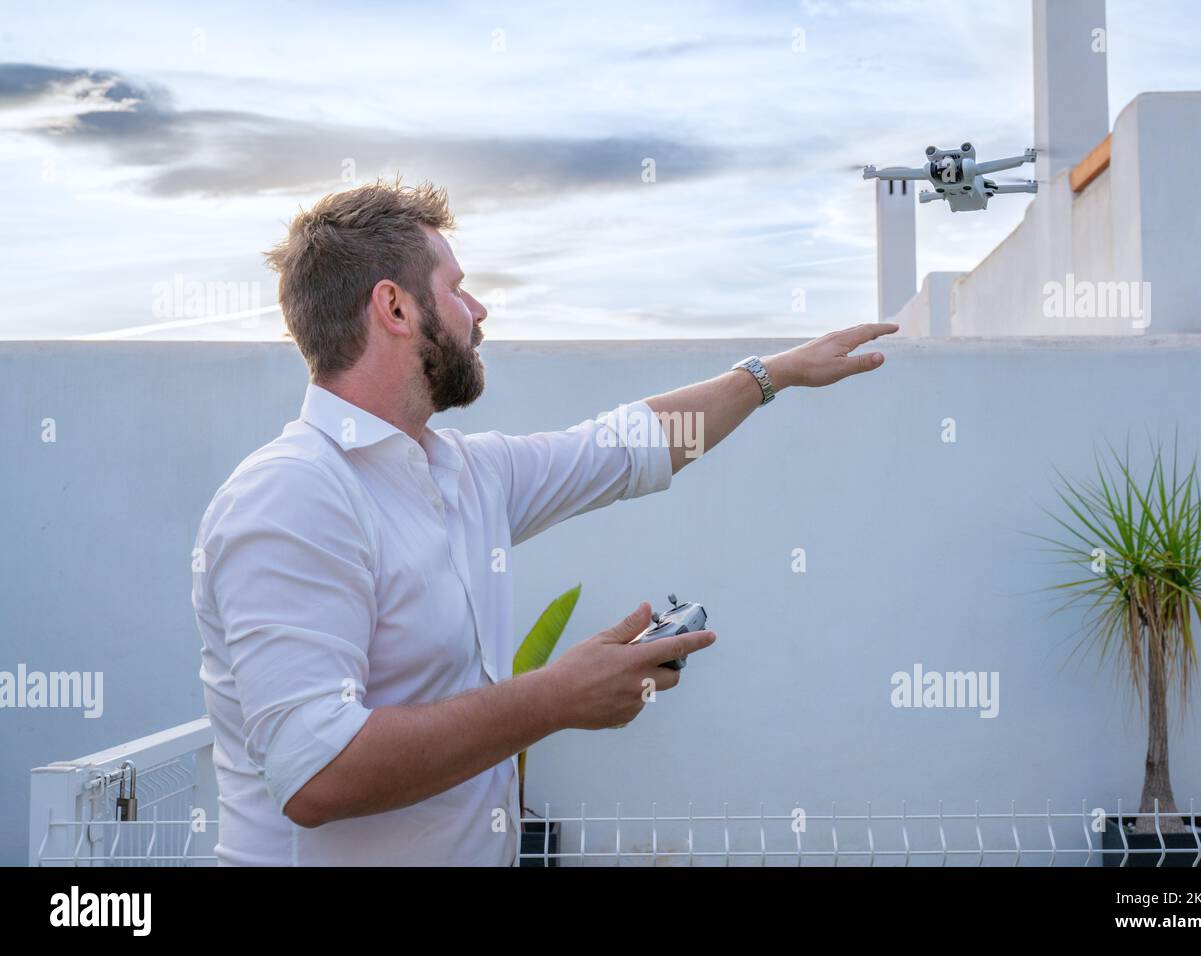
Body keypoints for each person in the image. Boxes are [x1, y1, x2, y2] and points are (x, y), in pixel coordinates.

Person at [190, 178, 898, 865]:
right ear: (396, 309)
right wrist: (556, 696)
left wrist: (773, 375)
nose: (479, 310)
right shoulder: (291, 496)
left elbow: (626, 446)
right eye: (457, 288)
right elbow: (319, 775)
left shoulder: (462, 473)